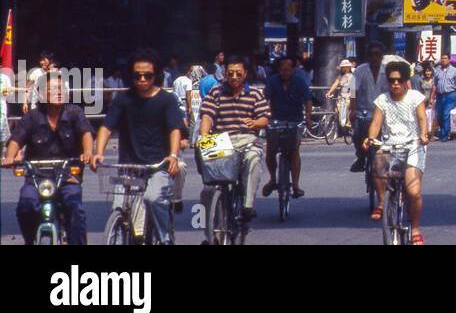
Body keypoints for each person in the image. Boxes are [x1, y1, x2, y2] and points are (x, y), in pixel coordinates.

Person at [90, 49, 186, 243]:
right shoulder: (123, 100)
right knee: (119, 208)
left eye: (147, 75)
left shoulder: (166, 100)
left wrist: (173, 155)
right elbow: (107, 127)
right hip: (129, 166)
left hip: (157, 165)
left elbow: (175, 129)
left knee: (153, 198)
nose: (142, 79)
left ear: (155, 75)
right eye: (137, 75)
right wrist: (98, 152)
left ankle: (165, 238)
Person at [3, 70, 92, 244]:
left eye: (61, 88)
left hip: (67, 176)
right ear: (42, 94)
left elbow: (86, 133)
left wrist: (88, 152)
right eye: (52, 89)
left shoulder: (74, 113)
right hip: (37, 177)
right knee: (26, 205)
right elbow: (16, 138)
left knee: (74, 207)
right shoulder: (32, 116)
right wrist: (9, 157)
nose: (59, 92)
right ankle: (30, 240)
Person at [197, 54, 270, 221]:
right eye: (231, 73)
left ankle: (247, 205)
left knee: (253, 159)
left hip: (247, 140)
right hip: (221, 140)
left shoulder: (255, 94)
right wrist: (203, 137)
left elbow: (265, 118)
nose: (234, 77)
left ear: (245, 74)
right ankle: (206, 222)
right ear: (225, 73)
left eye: (238, 73)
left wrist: (254, 123)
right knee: (209, 180)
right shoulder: (216, 92)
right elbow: (207, 116)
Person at [362, 60, 428, 242]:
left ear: (406, 81)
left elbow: (422, 118)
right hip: (390, 144)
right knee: (378, 162)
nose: (395, 84)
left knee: (413, 192)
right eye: (392, 80)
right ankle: (383, 201)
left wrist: (423, 135)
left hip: (413, 145)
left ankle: (415, 229)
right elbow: (376, 123)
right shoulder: (382, 100)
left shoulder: (416, 97)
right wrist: (370, 138)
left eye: (399, 80)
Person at [262, 56, 310, 199]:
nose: (286, 72)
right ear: (279, 70)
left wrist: (308, 117)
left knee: (295, 150)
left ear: (293, 70)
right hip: (276, 120)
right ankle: (272, 179)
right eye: (283, 70)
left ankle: (295, 185)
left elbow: (308, 99)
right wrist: (264, 114)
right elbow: (265, 100)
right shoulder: (273, 81)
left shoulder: (299, 82)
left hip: (295, 120)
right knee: (270, 150)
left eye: (288, 70)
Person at [350, 44, 386, 171]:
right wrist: (353, 110)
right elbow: (353, 92)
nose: (374, 57)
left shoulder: (387, 70)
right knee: (357, 135)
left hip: (383, 113)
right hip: (363, 112)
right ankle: (360, 157)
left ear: (382, 56)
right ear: (368, 56)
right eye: (371, 54)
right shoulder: (360, 70)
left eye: (377, 54)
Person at [430, 53, 456, 142]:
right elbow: (434, 85)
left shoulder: (454, 71)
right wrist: (431, 97)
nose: (443, 60)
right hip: (439, 95)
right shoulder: (437, 70)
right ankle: (445, 131)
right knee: (439, 115)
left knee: (446, 114)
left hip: (450, 95)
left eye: (445, 58)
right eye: (442, 58)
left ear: (449, 60)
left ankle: (444, 136)